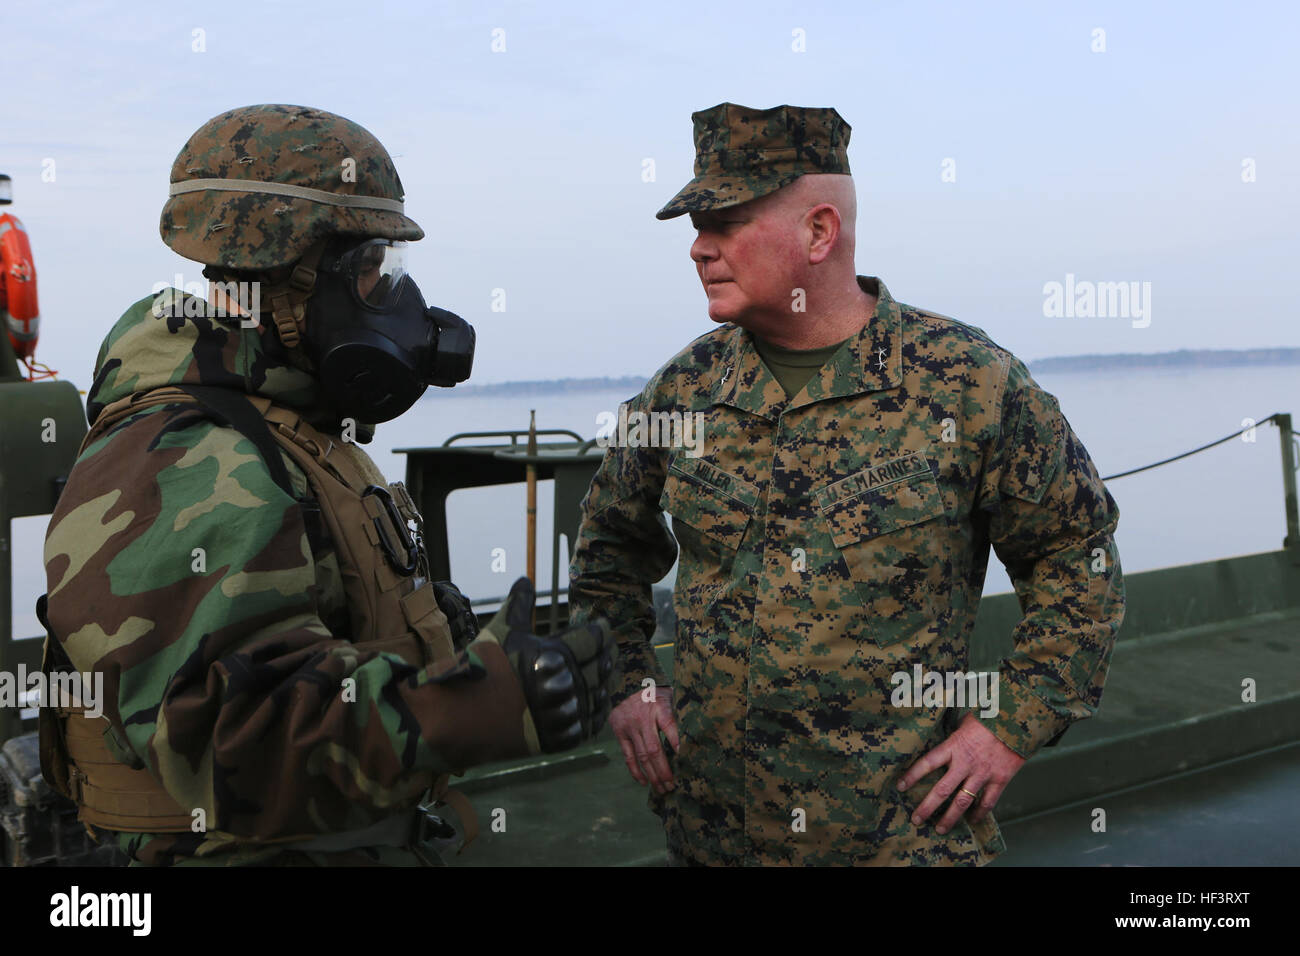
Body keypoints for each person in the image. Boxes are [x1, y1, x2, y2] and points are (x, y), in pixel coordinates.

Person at [40, 104, 613, 866]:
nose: (394, 299)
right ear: (286, 273)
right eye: (372, 267)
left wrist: (462, 656)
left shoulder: (288, 426)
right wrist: (472, 707)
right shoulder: (185, 453)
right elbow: (233, 739)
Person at [567, 102, 1125, 866]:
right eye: (697, 226)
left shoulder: (968, 385)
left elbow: (1077, 558)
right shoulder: (682, 394)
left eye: (725, 222)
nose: (699, 249)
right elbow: (607, 552)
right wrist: (630, 682)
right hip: (715, 840)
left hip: (897, 842)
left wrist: (1007, 728)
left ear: (819, 232)